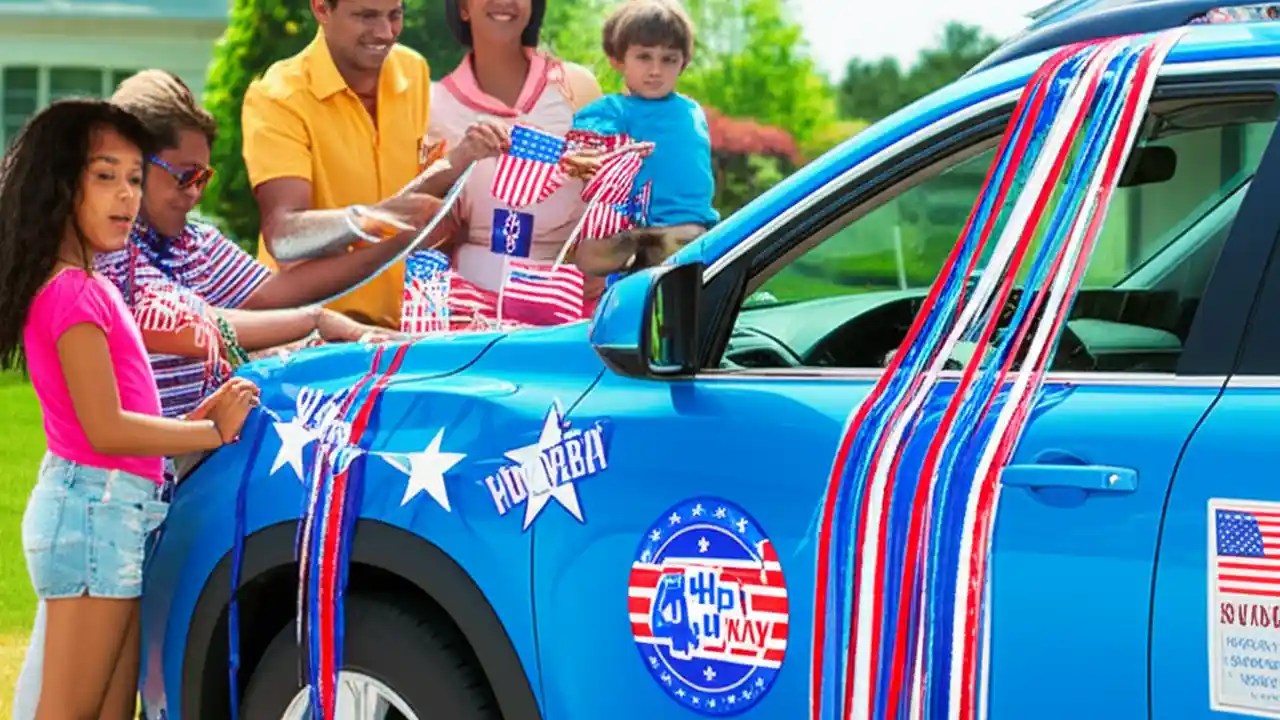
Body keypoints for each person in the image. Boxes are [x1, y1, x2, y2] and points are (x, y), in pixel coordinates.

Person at [0, 99, 259, 719]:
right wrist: (206, 430)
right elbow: (104, 428)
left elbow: (122, 414)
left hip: (116, 514)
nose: (126, 196)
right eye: (104, 175)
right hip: (94, 514)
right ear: (61, 185)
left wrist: (204, 412)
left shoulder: (91, 286)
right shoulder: (72, 294)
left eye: (135, 178)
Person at [98, 69, 399, 420]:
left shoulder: (195, 242)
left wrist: (393, 241)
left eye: (203, 178)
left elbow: (280, 294)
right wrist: (315, 322)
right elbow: (188, 323)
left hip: (188, 458)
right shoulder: (106, 250)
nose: (195, 193)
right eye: (185, 176)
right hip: (130, 467)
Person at [241, 0, 508, 329]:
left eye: (394, 15)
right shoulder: (278, 96)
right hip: (307, 335)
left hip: (399, 329)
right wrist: (375, 217)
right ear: (322, 9)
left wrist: (462, 156)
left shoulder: (413, 71)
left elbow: (408, 203)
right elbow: (284, 238)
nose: (385, 33)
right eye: (366, 16)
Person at [426, 0, 607, 315]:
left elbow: (612, 195)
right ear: (463, 9)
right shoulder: (433, 105)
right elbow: (421, 222)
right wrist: (460, 160)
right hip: (468, 310)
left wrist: (601, 260)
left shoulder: (576, 88)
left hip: (568, 305)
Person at [569, 0, 718, 277]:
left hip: (694, 231)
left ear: (683, 63)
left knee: (691, 240)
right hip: (632, 232)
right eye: (644, 57)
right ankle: (650, 250)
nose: (655, 70)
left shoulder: (691, 110)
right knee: (592, 253)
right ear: (617, 59)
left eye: (668, 59)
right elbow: (586, 151)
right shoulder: (609, 111)